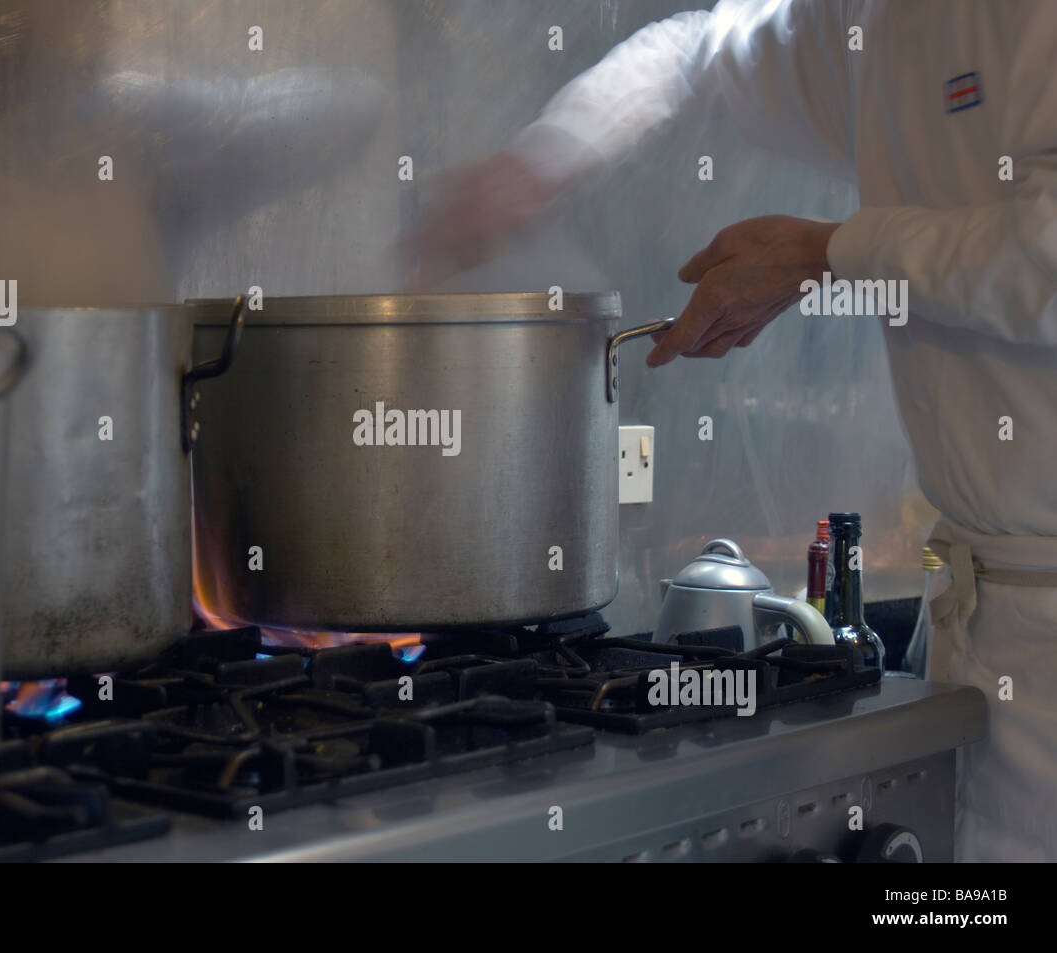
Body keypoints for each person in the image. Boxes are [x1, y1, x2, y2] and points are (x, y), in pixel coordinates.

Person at [408, 0, 1057, 862]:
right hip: (979, 626)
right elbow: (701, 53)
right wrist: (547, 158)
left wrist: (830, 252)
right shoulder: (880, 22)